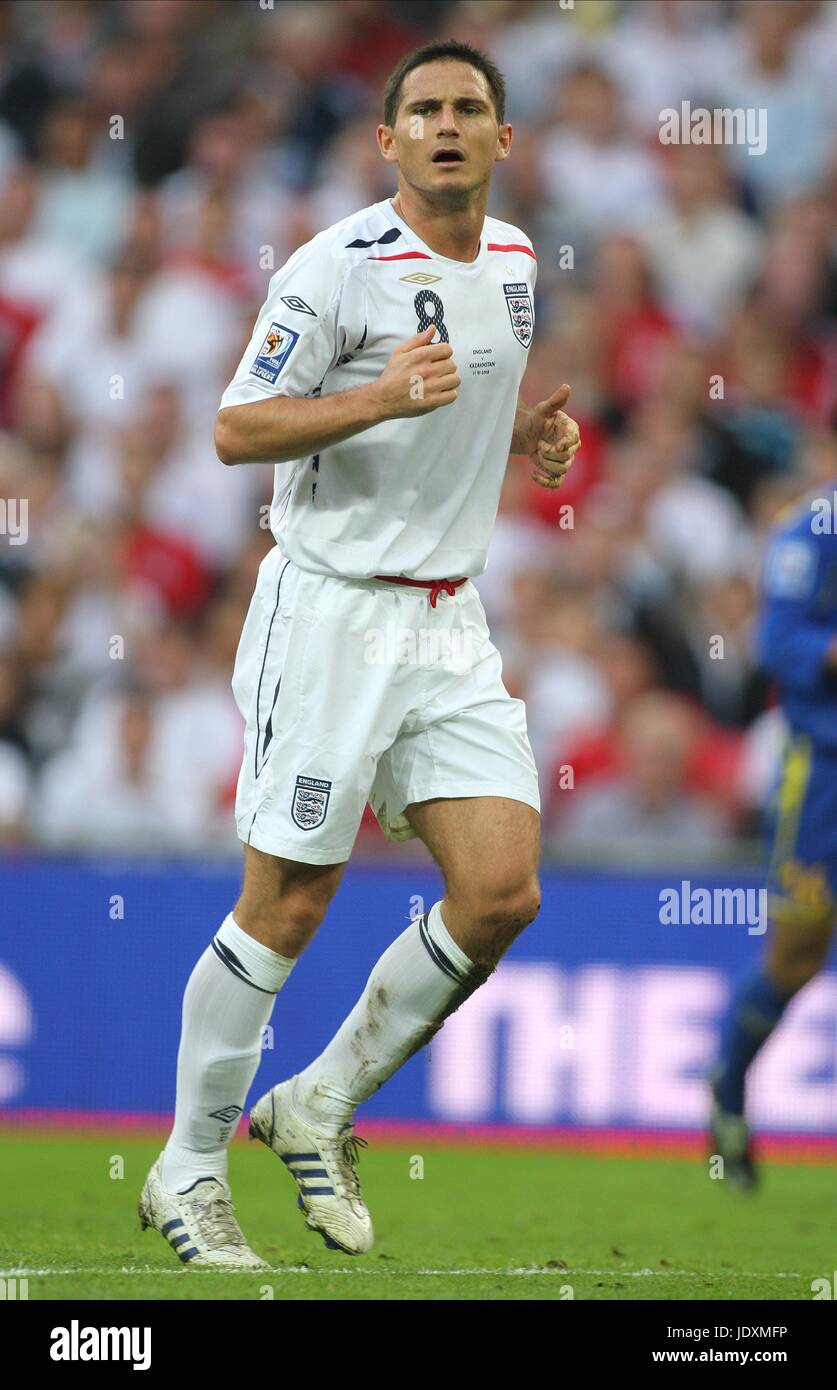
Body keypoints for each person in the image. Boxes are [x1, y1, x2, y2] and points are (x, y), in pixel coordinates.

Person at [139, 38, 580, 1269]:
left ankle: (320, 1100)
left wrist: (534, 434)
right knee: (291, 898)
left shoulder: (518, 263)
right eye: (424, 109)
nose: (448, 125)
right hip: (329, 613)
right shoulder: (336, 267)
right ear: (387, 140)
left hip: (449, 620)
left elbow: (472, 404)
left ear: (505, 140)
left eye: (471, 109)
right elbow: (237, 428)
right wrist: (374, 399)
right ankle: (185, 1164)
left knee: (500, 891)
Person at [710, 470, 837, 1188]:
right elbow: (777, 642)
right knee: (795, 957)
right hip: (823, 773)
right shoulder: (808, 530)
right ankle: (726, 1088)